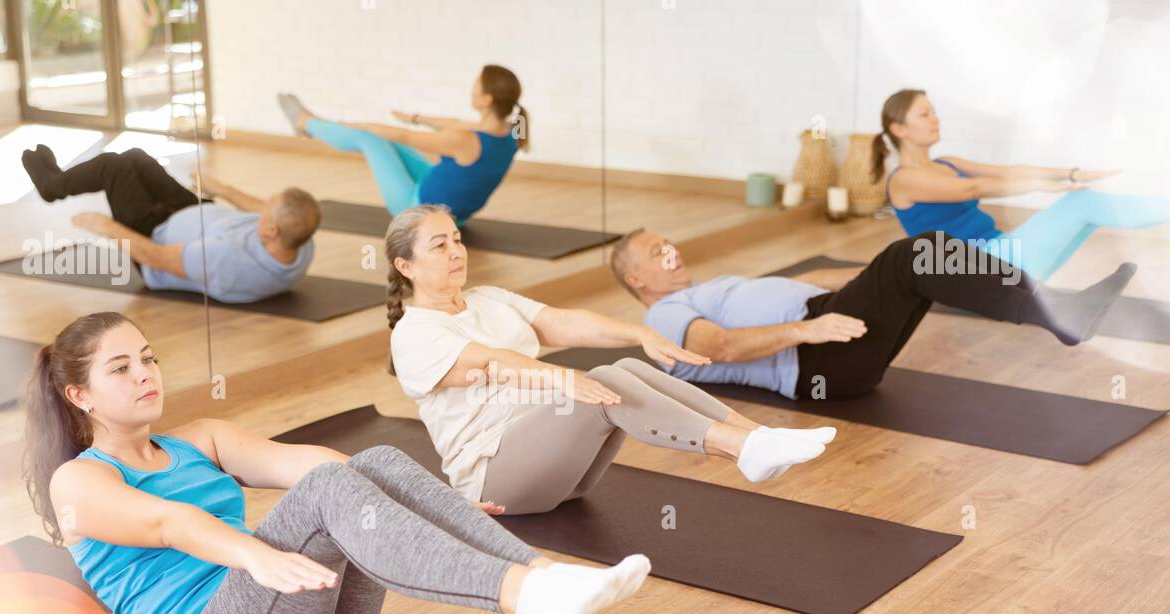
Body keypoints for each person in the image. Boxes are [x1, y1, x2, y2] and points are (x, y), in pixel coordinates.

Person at [21, 310, 651, 614]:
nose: (145, 375)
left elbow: (311, 463)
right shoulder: (79, 480)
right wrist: (254, 555)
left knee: (369, 461)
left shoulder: (201, 439)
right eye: (121, 369)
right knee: (330, 491)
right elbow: (168, 525)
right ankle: (519, 596)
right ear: (79, 396)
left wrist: (433, 497)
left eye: (149, 359)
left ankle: (540, 575)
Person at [385, 205, 839, 517]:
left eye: (458, 240)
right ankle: (747, 449)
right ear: (405, 266)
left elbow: (562, 322)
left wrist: (639, 333)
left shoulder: (488, 298)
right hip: (497, 483)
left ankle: (757, 438)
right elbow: (494, 360)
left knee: (625, 370)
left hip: (564, 474)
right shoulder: (415, 333)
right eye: (439, 246)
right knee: (601, 384)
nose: (457, 252)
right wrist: (561, 378)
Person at [608, 228, 1135, 400]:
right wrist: (807, 329)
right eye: (657, 253)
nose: (670, 251)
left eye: (667, 243)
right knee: (918, 251)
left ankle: (1055, 307)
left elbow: (808, 285)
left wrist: (878, 274)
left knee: (921, 257)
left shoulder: (704, 287)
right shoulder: (661, 318)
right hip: (815, 361)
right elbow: (718, 347)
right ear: (637, 281)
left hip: (826, 325)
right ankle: (1057, 312)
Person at [876, 88, 1170, 280]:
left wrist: (1071, 173)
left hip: (999, 253)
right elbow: (971, 189)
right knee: (1084, 204)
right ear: (898, 128)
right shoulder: (904, 180)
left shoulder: (947, 162)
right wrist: (1041, 185)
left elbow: (1007, 171)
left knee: (1086, 210)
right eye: (924, 114)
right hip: (972, 272)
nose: (935, 119)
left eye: (934, 112)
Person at [20, 145, 320, 303]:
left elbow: (156, 258)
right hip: (193, 213)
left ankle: (51, 186)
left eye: (267, 212)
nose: (261, 208)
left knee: (113, 166)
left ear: (271, 231)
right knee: (136, 157)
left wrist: (107, 227)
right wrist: (223, 190)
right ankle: (59, 180)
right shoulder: (300, 238)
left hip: (153, 233)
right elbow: (260, 208)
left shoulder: (228, 261)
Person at [277, 64, 527, 224]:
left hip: (418, 212)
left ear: (486, 99)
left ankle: (305, 122)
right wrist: (415, 118)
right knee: (383, 139)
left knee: (370, 138)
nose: (471, 90)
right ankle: (322, 127)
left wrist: (364, 125)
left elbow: (405, 136)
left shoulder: (464, 140)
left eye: (476, 86)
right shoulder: (509, 133)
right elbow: (455, 122)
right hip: (456, 215)